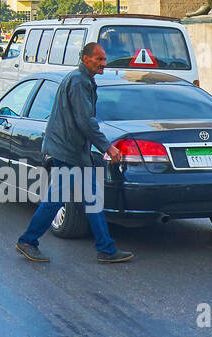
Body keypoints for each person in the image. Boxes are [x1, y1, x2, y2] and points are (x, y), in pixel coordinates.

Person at [16, 42, 133, 264]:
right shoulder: (79, 82)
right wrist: (107, 147)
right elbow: (85, 121)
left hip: (73, 150)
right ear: (86, 59)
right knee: (56, 198)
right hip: (67, 150)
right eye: (99, 59)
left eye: (104, 59)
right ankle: (28, 241)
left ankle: (106, 249)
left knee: (91, 198)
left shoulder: (81, 79)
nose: (103, 63)